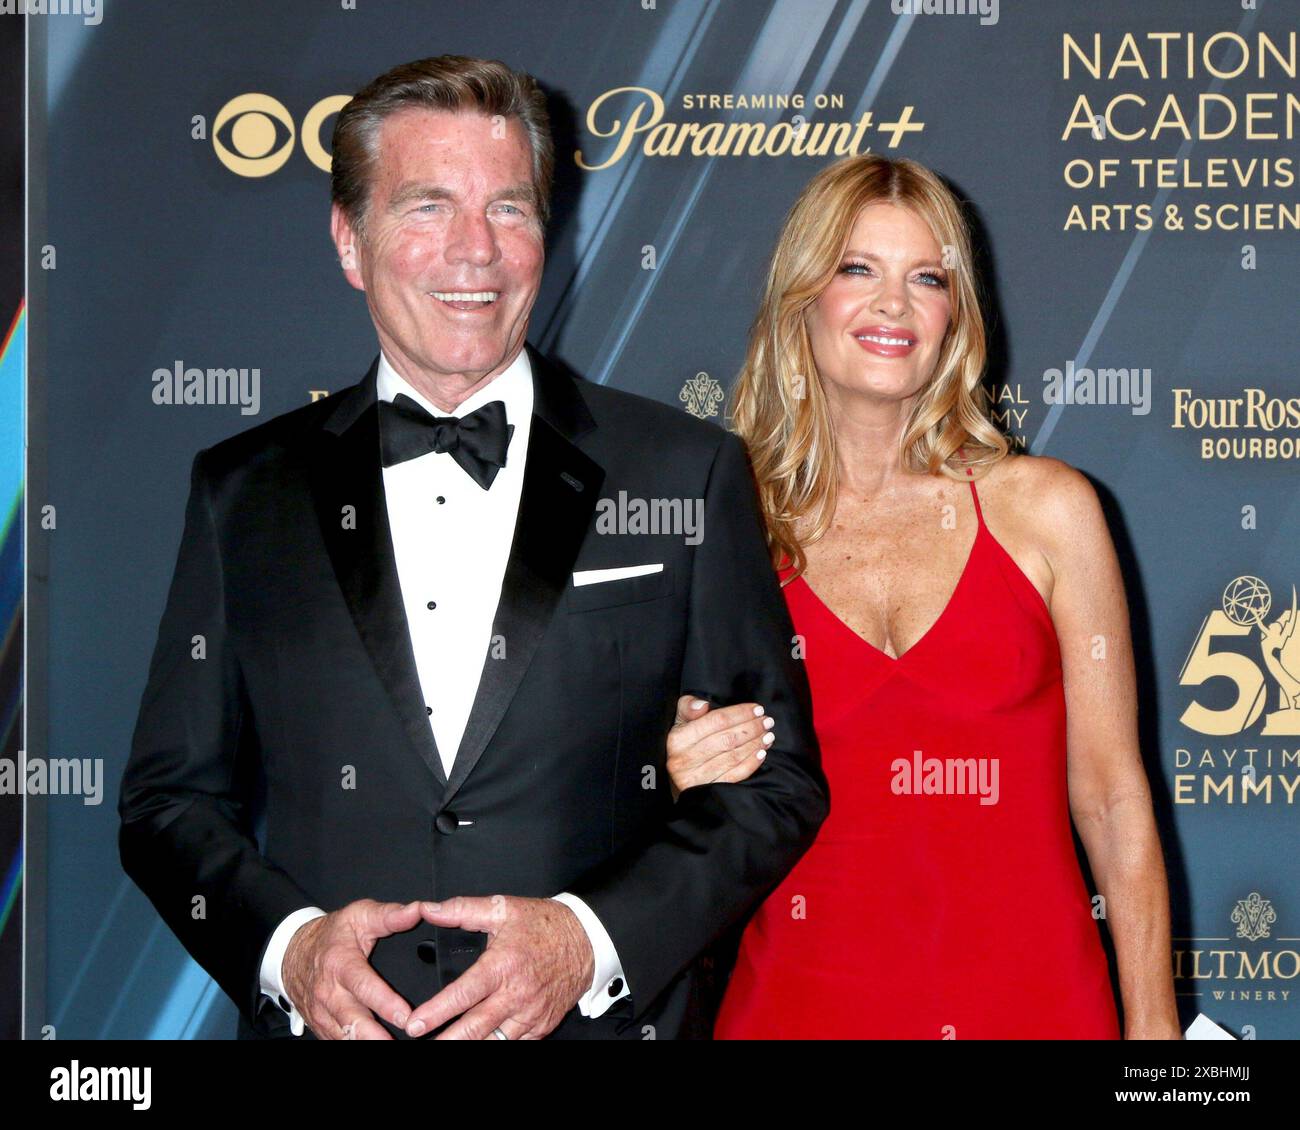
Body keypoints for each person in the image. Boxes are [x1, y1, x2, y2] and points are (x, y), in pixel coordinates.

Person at [117, 55, 828, 1041]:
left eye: (509, 209)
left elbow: (777, 779)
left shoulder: (682, 468)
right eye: (426, 207)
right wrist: (288, 950)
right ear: (349, 242)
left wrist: (586, 940)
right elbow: (167, 802)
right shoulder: (243, 490)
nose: (476, 252)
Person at [665, 154, 1181, 1039]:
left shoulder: (1050, 511)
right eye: (857, 268)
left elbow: (1113, 796)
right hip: (794, 1008)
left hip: (1041, 1010)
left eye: (927, 278)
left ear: (956, 315)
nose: (894, 305)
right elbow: (648, 805)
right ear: (801, 297)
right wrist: (675, 775)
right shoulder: (721, 527)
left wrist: (1158, 1036)